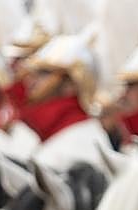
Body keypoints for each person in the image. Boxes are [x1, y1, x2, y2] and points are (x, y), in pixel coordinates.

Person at [16, 31, 114, 171]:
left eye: (44, 73)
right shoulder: (47, 131)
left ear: (72, 84)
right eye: (34, 72)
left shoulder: (83, 141)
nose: (30, 80)